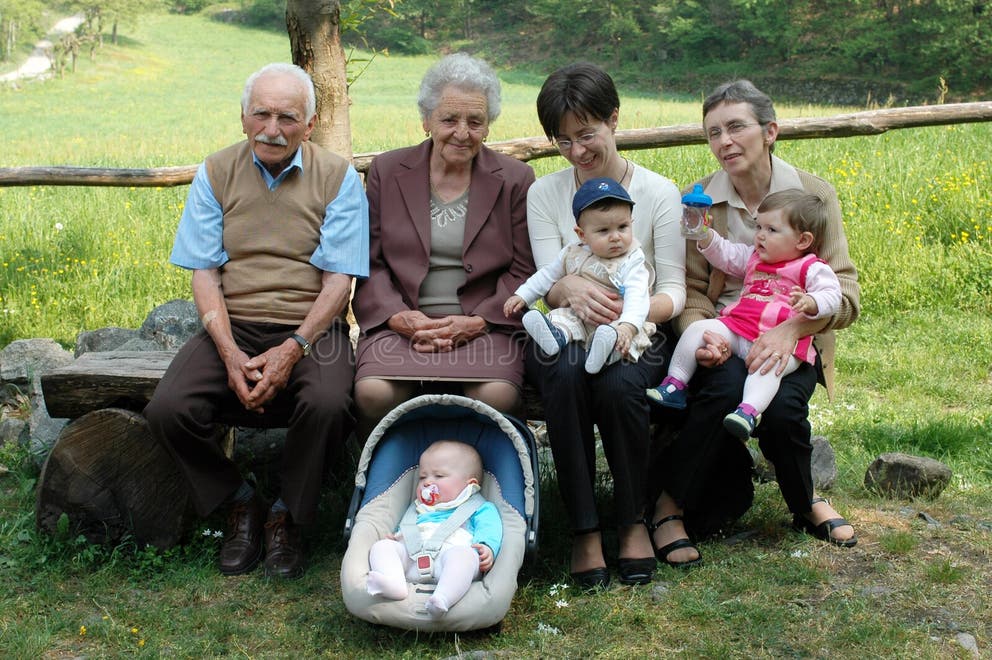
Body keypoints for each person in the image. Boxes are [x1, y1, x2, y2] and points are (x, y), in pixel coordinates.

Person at [144, 63, 369, 579]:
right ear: (243, 118)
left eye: (288, 117)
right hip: (233, 322)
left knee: (333, 402)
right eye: (261, 114)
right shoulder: (216, 171)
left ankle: (287, 513)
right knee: (168, 408)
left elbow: (339, 283)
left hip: (312, 329)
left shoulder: (337, 177)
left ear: (309, 125)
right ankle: (237, 500)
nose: (273, 128)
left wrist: (293, 348)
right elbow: (204, 272)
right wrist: (228, 351)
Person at [647, 80, 860, 570]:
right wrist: (704, 336)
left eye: (736, 127)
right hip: (725, 329)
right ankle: (668, 506)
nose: (725, 141)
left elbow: (844, 291)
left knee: (785, 411)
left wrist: (793, 330)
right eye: (714, 132)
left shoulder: (813, 197)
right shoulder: (703, 204)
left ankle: (804, 502)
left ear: (770, 131)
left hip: (792, 335)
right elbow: (693, 288)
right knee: (720, 392)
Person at [525, 62, 685, 588]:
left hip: (639, 331)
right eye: (563, 140)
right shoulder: (545, 194)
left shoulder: (659, 193)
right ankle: (584, 530)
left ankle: (632, 518)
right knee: (565, 372)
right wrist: (568, 290)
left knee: (619, 383)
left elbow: (675, 291)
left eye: (587, 134)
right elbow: (552, 275)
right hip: (570, 328)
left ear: (615, 120)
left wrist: (629, 317)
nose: (577, 151)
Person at [352, 53, 535, 435]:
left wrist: (479, 320)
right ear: (426, 120)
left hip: (485, 325)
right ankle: (400, 476)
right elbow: (370, 260)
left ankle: (473, 478)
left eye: (475, 121)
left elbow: (523, 268)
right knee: (372, 393)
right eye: (449, 119)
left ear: (489, 125)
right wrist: (398, 317)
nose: (462, 132)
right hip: (401, 324)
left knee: (497, 396)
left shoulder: (516, 179)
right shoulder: (388, 171)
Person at [648, 189, 842, 441]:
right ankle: (674, 384)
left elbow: (833, 295)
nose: (760, 235)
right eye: (758, 226)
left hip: (779, 342)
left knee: (769, 367)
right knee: (698, 329)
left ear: (802, 241)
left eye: (771, 230)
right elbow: (726, 255)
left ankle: (748, 411)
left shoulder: (811, 268)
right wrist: (706, 236)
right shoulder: (754, 257)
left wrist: (812, 301)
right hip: (738, 329)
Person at [505, 176, 655, 374]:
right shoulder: (572, 252)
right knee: (562, 318)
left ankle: (605, 354)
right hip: (580, 315)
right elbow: (547, 275)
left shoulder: (632, 259)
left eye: (623, 227)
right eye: (603, 230)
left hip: (617, 319)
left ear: (631, 223)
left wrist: (628, 325)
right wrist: (523, 295)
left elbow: (638, 296)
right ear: (582, 234)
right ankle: (556, 337)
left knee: (625, 341)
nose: (616, 237)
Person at [366, 440, 502, 619]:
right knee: (381, 546)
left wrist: (486, 546)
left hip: (450, 564)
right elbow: (407, 528)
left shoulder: (479, 507)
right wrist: (396, 539)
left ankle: (443, 598)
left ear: (470, 484)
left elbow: (490, 528)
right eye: (422, 477)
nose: (427, 482)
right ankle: (393, 583)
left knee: (464, 556)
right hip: (412, 561)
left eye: (439, 476)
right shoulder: (417, 508)